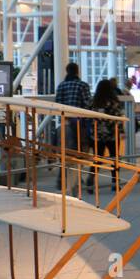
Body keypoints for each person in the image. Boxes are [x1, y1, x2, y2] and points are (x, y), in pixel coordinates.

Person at [54, 61, 91, 190]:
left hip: (65, 121)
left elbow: (57, 103)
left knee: (63, 153)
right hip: (78, 122)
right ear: (77, 71)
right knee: (81, 150)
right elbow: (87, 104)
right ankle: (76, 179)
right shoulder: (82, 85)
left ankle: (61, 179)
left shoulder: (61, 86)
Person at [88, 78, 125, 190]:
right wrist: (122, 131)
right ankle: (115, 183)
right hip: (112, 135)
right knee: (114, 159)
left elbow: (90, 117)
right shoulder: (114, 102)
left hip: (97, 135)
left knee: (97, 159)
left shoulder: (94, 102)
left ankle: (91, 181)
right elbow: (118, 118)